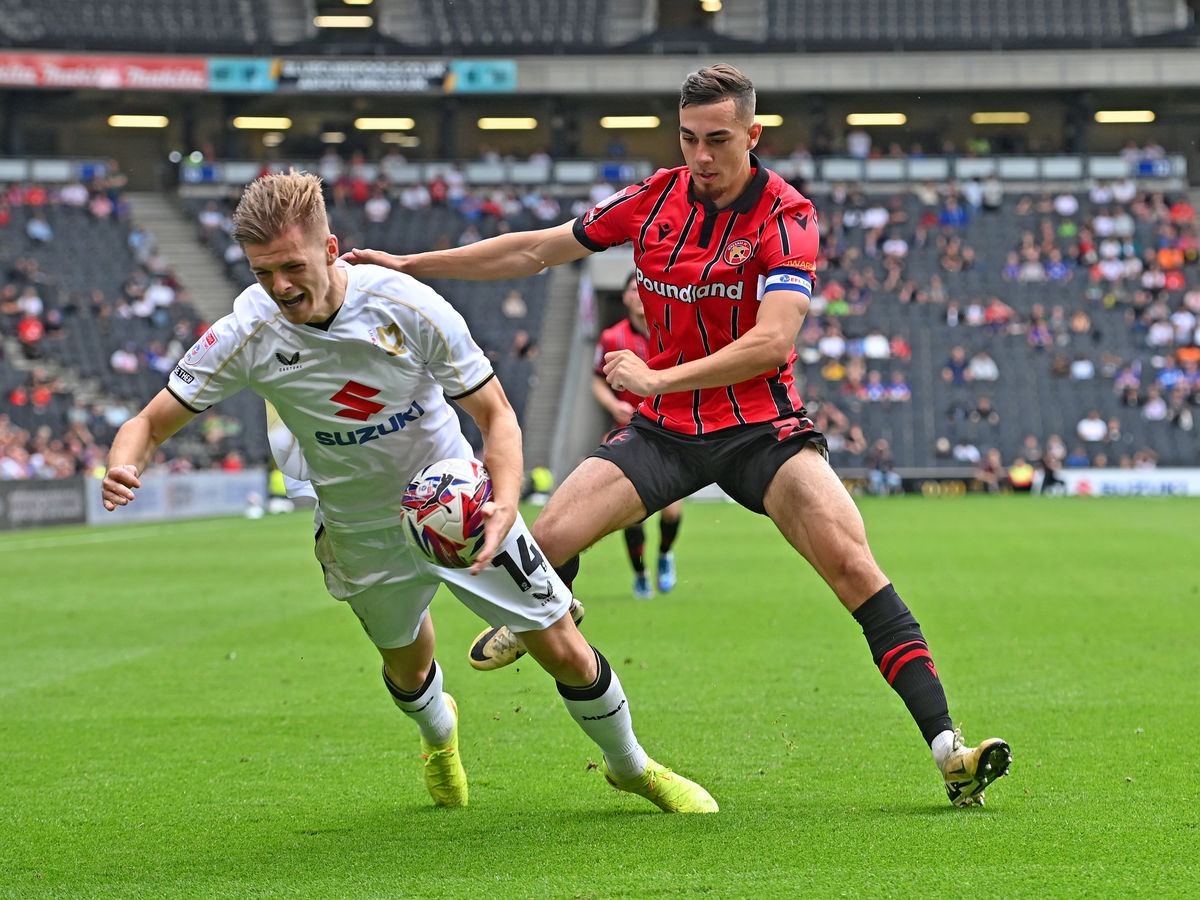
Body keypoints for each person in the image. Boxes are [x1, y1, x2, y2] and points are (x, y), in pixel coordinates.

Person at [344, 64, 1010, 808]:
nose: (701, 156)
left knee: (854, 567)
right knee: (541, 541)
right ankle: (552, 610)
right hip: (666, 434)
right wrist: (408, 267)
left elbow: (770, 341)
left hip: (761, 428)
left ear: (753, 135)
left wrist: (660, 379)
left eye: (718, 140)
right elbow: (536, 249)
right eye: (689, 138)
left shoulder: (787, 217)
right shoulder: (656, 198)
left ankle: (950, 750)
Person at [100, 171, 716, 815]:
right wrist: (125, 463)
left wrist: (504, 502)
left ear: (331, 249)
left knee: (558, 640)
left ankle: (631, 766)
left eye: (291, 266)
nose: (279, 287)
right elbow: (148, 422)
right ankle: (439, 735)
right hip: (356, 528)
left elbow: (497, 415)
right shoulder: (247, 332)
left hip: (455, 506)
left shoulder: (408, 306)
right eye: (263, 274)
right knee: (408, 665)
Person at [593, 272, 684, 600]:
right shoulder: (612, 337)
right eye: (632, 288)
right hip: (629, 430)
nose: (638, 293)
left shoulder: (672, 330)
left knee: (672, 510)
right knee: (631, 514)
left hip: (670, 429)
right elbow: (596, 380)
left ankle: (663, 555)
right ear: (626, 298)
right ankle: (641, 573)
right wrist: (612, 402)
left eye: (642, 287)